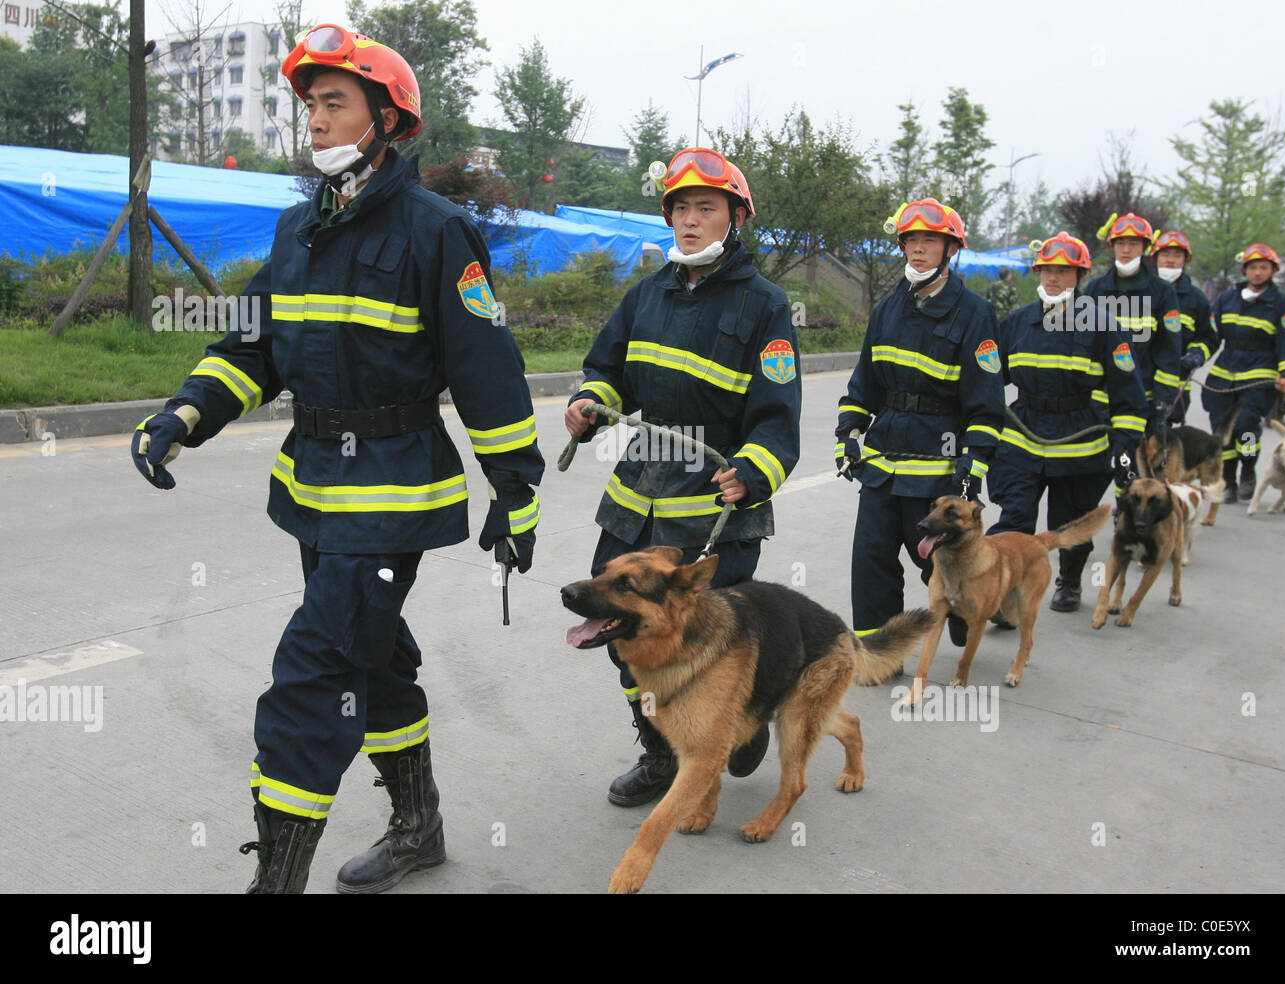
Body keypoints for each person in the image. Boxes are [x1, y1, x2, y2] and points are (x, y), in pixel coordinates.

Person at [129, 24, 544, 894]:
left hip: (391, 491)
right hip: (315, 482)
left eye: (334, 102)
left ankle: (275, 883)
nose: (314, 120)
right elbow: (254, 347)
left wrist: (517, 489)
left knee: (312, 677)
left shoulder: (438, 232)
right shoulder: (298, 228)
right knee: (373, 657)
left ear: (388, 119)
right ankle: (418, 826)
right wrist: (183, 413)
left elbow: (487, 372)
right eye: (309, 104)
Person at [563, 147, 800, 808]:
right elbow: (608, 368)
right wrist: (591, 401)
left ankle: (744, 720)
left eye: (706, 208)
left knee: (714, 650)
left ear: (734, 216)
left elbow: (779, 418)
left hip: (716, 506)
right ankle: (660, 754)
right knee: (622, 636)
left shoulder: (765, 306)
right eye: (681, 208)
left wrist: (754, 470)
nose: (691, 220)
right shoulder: (647, 294)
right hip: (635, 501)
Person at [835, 198, 1004, 649]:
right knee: (870, 560)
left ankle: (966, 611)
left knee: (940, 562)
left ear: (950, 248)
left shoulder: (974, 313)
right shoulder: (889, 309)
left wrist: (975, 460)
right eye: (911, 239)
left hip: (939, 468)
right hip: (882, 462)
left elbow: (987, 403)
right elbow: (863, 383)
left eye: (929, 239)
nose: (918, 248)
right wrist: (847, 435)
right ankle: (879, 651)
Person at [984, 233, 1147, 618]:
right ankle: (1005, 596)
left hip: (1080, 442)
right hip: (1023, 436)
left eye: (1063, 271)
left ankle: (1070, 580)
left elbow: (1128, 394)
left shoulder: (1104, 326)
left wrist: (1124, 446)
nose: (1053, 278)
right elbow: (989, 379)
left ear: (1080, 275)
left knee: (1068, 527)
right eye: (1047, 270)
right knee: (1015, 520)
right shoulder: (1018, 323)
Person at [1203, 243, 1285, 502]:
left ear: (1272, 271)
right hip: (1225, 371)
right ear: (1245, 270)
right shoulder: (1227, 298)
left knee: (1246, 425)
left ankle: (1248, 469)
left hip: (1260, 372)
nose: (1258, 273)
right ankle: (1229, 479)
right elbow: (1211, 334)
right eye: (1253, 267)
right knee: (1221, 428)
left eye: (1263, 268)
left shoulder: (1283, 303)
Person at [1082, 212, 1182, 435]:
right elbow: (1084, 343)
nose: (1126, 250)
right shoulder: (1095, 289)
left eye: (1134, 243)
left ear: (1145, 247)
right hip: (1100, 397)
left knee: (1137, 465)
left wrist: (1164, 397)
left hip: (1142, 397)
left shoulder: (1162, 292)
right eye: (1121, 243)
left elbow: (1169, 348)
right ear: (1112, 246)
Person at [1150, 231, 1217, 424]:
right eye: (1165, 255)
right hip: (1139, 380)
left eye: (1177, 256)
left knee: (1164, 440)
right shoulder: (1139, 291)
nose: (1170, 260)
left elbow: (1208, 337)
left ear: (1186, 260)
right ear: (1155, 258)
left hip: (1175, 382)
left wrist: (1196, 353)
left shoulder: (1197, 299)